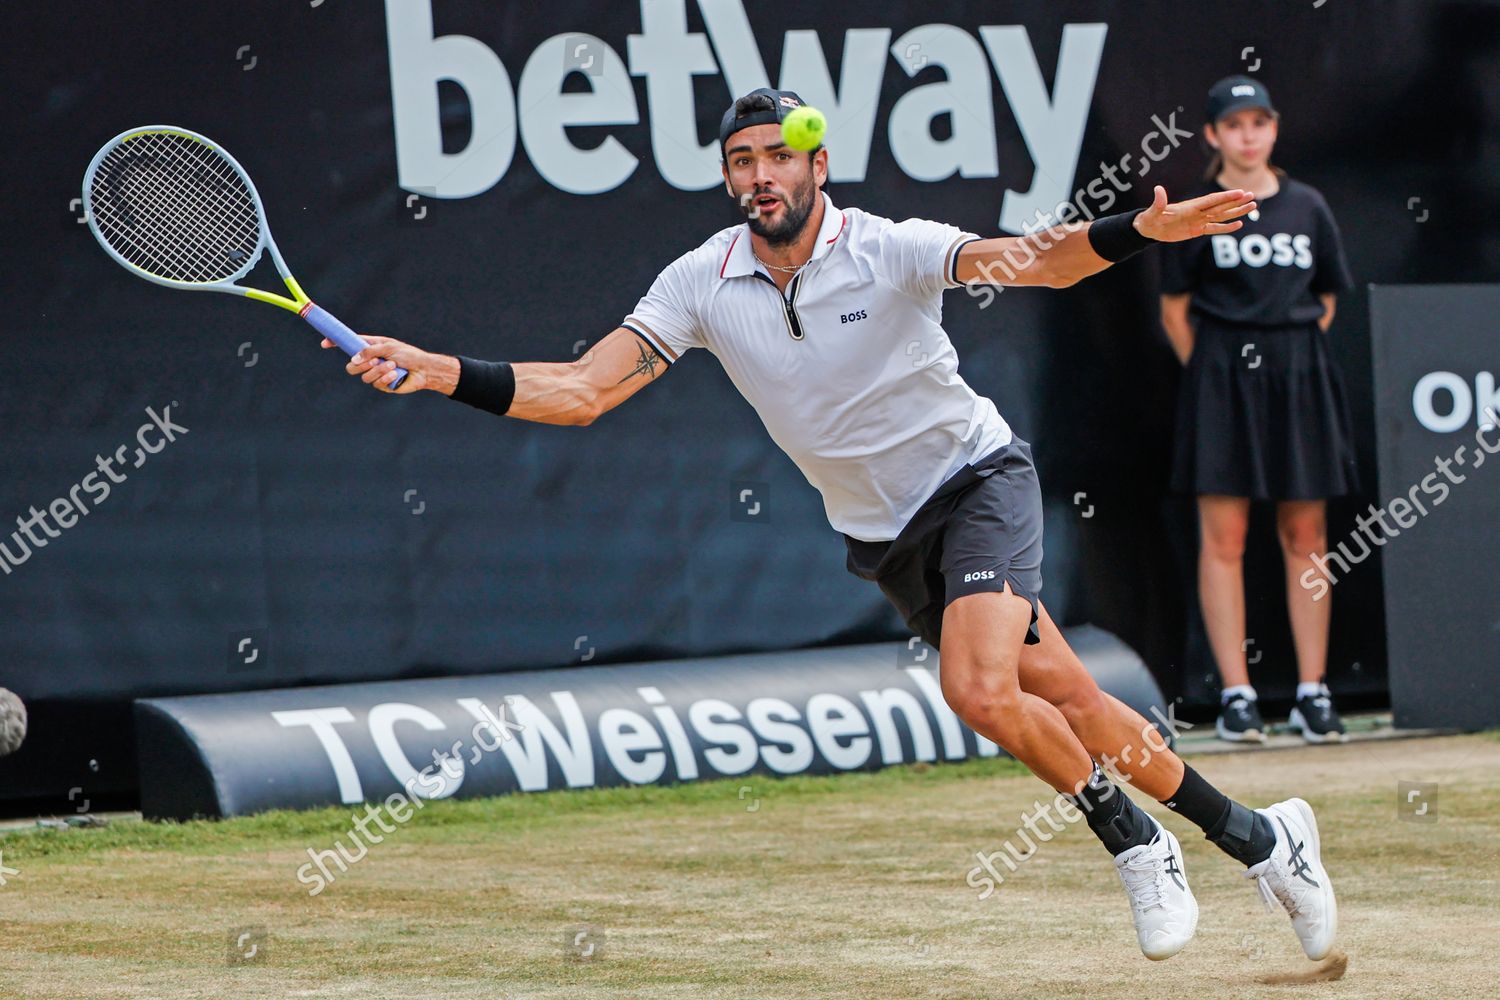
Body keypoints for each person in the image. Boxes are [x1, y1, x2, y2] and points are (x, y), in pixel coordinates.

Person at [335, 88, 1336, 963]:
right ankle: (1261, 837)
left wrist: (1137, 234)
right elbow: (584, 391)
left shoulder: (889, 248)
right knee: (1067, 695)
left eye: (779, 156)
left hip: (976, 480)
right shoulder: (701, 282)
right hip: (887, 536)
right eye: (742, 161)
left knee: (979, 688)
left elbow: (1035, 262)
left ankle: (1133, 842)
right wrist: (435, 369)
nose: (761, 176)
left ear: (819, 165)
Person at [1159, 77, 1358, 745]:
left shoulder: (1308, 207)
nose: (1249, 135)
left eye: (1259, 122)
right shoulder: (1199, 210)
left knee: (1307, 536)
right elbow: (1175, 309)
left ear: (1273, 129)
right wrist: (1220, 374)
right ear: (1213, 135)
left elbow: (1328, 297)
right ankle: (1238, 695)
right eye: (1234, 124)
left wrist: (1287, 365)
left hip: (1300, 377)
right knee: (1225, 538)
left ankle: (1312, 691)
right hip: (1220, 380)